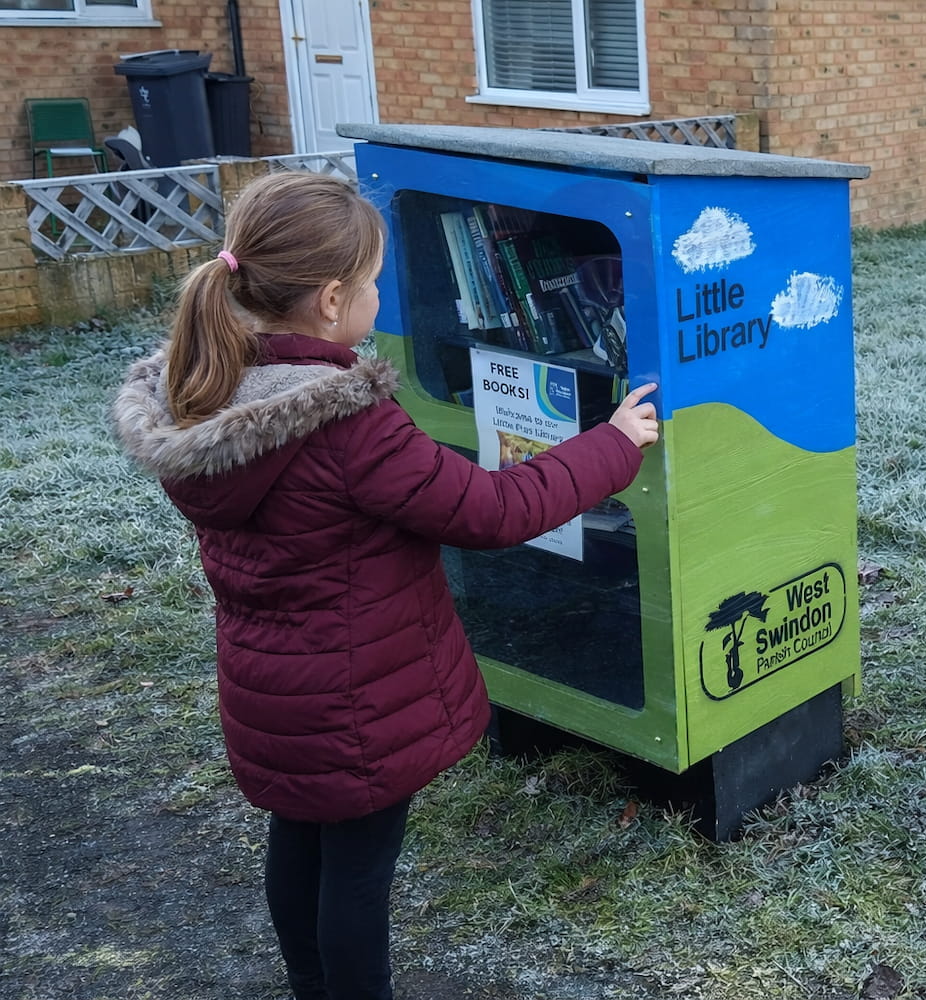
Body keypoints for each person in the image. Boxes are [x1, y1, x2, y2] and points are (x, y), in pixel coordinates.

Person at [110, 172, 658, 1000]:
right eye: (372, 284)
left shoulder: (205, 386)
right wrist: (614, 443)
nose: (377, 300)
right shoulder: (346, 421)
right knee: (359, 874)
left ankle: (310, 986)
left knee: (299, 840)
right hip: (361, 699)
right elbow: (492, 508)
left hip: (273, 687)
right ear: (331, 300)